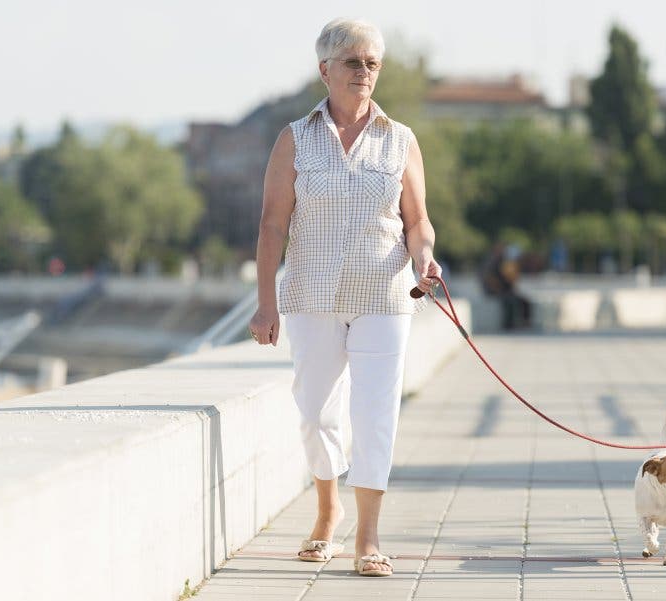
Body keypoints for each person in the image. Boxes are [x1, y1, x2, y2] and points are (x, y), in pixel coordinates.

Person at [248, 18, 441, 577]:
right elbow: (270, 225)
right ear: (325, 69)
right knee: (314, 412)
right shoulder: (294, 137)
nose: (364, 72)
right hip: (310, 295)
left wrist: (424, 256)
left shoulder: (400, 138)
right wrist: (266, 303)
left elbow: (418, 220)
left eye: (372, 63)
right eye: (353, 62)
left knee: (376, 414)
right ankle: (327, 507)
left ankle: (368, 537)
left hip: (384, 295)